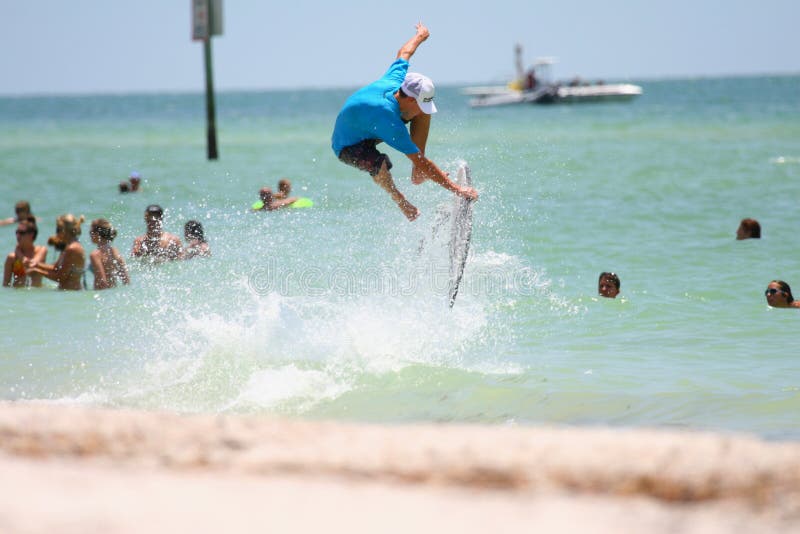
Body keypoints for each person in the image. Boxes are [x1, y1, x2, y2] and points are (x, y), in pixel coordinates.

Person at [331, 22, 478, 222]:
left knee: (423, 114)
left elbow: (404, 52)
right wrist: (457, 189)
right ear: (409, 98)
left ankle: (417, 175)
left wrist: (420, 36)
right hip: (348, 145)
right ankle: (401, 201)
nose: (424, 108)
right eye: (420, 102)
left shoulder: (399, 79)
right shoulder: (388, 120)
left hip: (368, 125)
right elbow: (420, 159)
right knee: (379, 163)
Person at [25, 214, 86, 290]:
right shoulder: (68, 246)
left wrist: (37, 271)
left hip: (71, 295)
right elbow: (56, 268)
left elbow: (60, 277)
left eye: (58, 230)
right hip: (68, 294)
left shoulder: (72, 249)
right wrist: (35, 264)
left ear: (65, 230)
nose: (56, 233)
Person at [3, 219, 47, 288]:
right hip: (19, 295)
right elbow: (5, 284)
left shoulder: (41, 250)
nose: (18, 236)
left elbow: (32, 264)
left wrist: (19, 253)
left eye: (21, 233)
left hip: (37, 295)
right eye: (16, 232)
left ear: (31, 234)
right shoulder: (11, 258)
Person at [89, 219, 130, 289]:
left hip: (100, 295)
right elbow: (126, 280)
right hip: (112, 293)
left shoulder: (95, 255)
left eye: (91, 232)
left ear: (97, 234)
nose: (90, 234)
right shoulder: (115, 252)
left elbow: (102, 282)